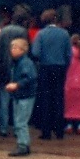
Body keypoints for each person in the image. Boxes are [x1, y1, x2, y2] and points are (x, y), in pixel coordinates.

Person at [31, 9, 71, 140]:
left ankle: (46, 132)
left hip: (45, 68)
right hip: (60, 68)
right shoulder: (65, 34)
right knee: (59, 98)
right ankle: (59, 131)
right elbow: (69, 55)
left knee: (45, 100)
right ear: (55, 19)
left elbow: (35, 52)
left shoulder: (41, 34)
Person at [0, 9, 30, 137]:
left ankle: (3, 128)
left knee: (4, 100)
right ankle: (18, 129)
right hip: (17, 69)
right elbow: (26, 50)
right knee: (17, 101)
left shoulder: (3, 31)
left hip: (3, 70)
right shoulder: (22, 32)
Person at [6, 38, 38, 156]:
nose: (12, 50)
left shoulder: (25, 63)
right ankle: (24, 144)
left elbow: (30, 77)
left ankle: (23, 145)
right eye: (12, 47)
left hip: (25, 96)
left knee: (20, 121)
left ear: (23, 50)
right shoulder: (18, 62)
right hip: (20, 95)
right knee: (19, 121)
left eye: (15, 47)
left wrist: (17, 84)